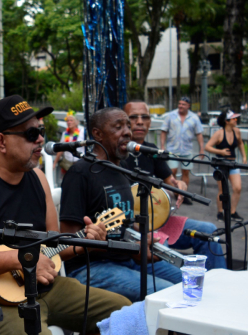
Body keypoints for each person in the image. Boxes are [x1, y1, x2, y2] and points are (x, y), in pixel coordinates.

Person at [0, 96, 131, 335]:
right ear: (1, 141)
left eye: (41, 131)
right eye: (31, 133)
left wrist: (85, 242)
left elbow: (53, 246)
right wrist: (19, 259)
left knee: (124, 313)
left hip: (42, 287)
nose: (41, 139)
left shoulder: (38, 178)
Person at [60, 107, 178, 302]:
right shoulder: (80, 173)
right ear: (97, 134)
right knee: (169, 293)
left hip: (127, 257)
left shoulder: (122, 169)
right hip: (91, 267)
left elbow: (125, 223)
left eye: (128, 127)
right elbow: (69, 238)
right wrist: (130, 248)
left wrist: (144, 240)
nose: (127, 132)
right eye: (118, 127)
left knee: (187, 279)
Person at [122, 101, 226, 270]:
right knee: (162, 248)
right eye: (133, 117)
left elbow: (171, 182)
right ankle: (190, 281)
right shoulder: (116, 154)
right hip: (133, 226)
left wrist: (180, 185)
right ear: (123, 123)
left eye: (145, 117)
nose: (140, 122)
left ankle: (219, 281)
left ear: (150, 122)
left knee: (209, 231)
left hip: (158, 219)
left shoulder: (151, 149)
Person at [160, 96, 204, 204]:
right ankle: (175, 192)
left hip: (186, 150)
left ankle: (183, 194)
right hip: (172, 149)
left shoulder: (194, 118)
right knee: (172, 171)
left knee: (185, 172)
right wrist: (162, 146)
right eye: (179, 103)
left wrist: (201, 149)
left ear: (188, 106)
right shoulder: (171, 115)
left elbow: (199, 134)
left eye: (183, 104)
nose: (181, 106)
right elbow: (163, 131)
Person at [204, 109, 247, 221]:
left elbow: (240, 143)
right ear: (227, 121)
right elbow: (207, 146)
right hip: (221, 164)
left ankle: (232, 212)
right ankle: (220, 212)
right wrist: (220, 152)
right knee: (222, 190)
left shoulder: (236, 131)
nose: (236, 120)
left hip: (232, 164)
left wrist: (244, 156)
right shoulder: (219, 133)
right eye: (233, 118)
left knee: (237, 188)